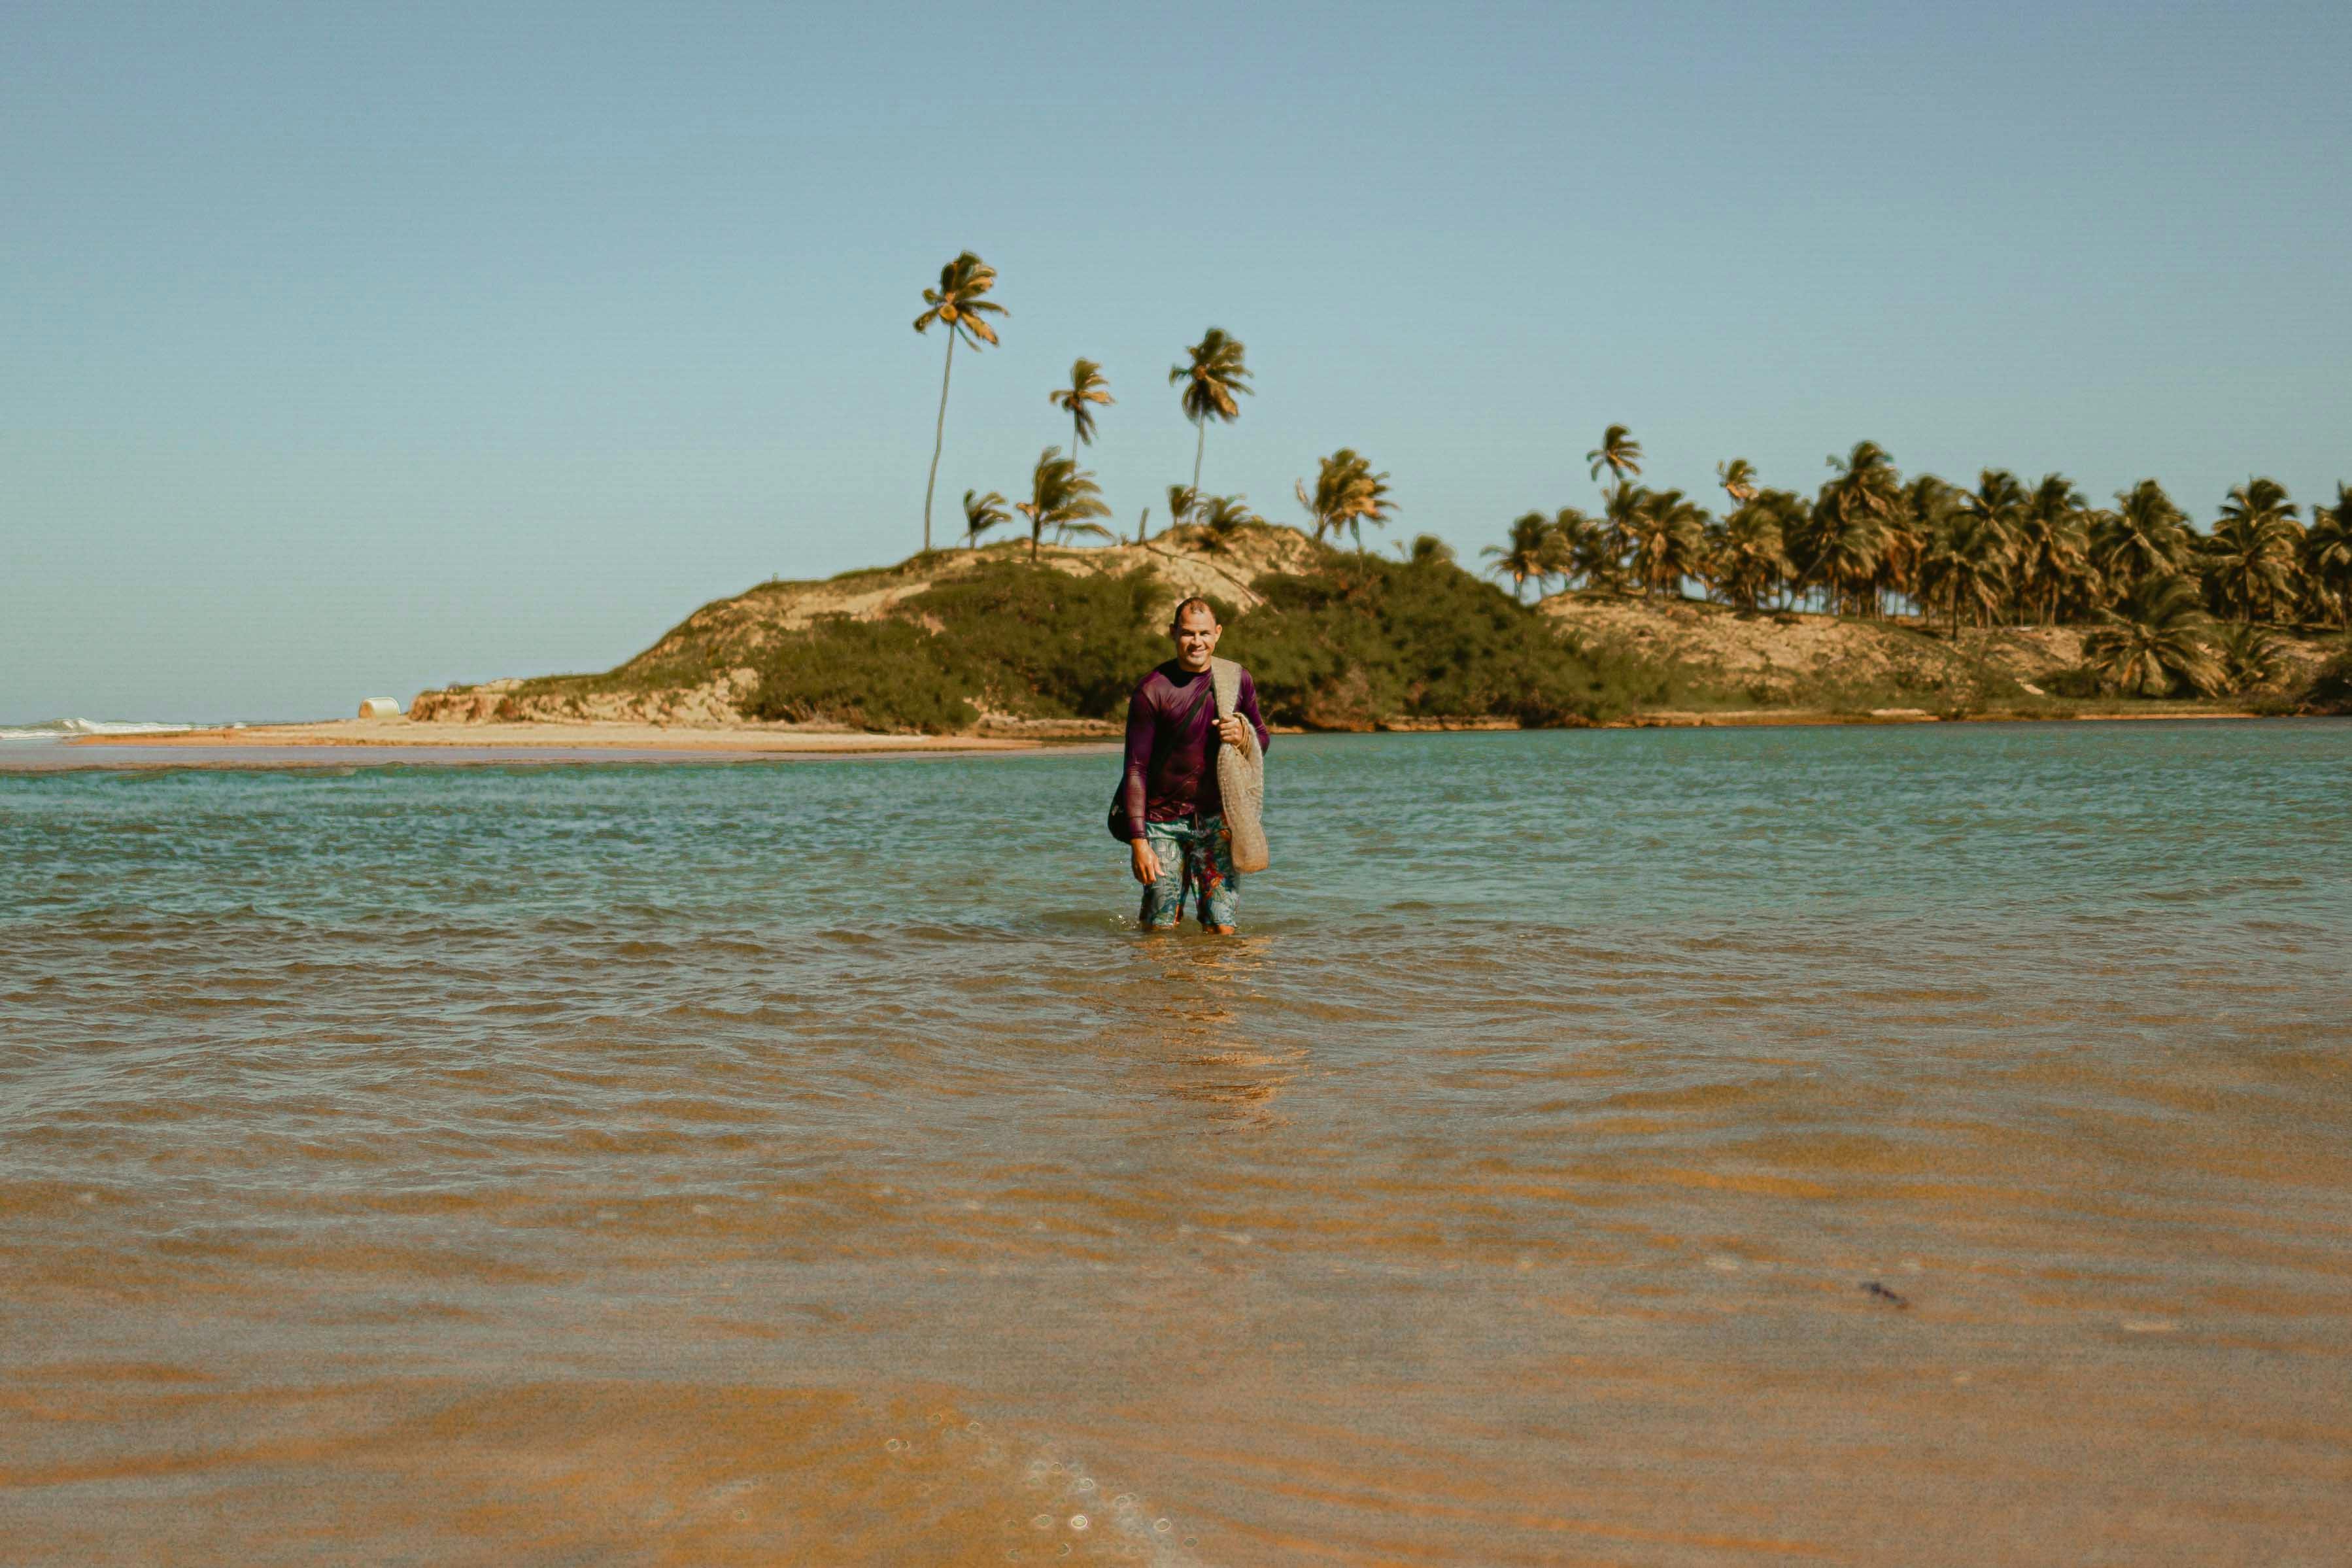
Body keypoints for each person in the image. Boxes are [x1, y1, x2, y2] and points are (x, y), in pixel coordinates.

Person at [1119, 597, 1271, 934]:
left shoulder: (1236, 679)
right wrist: (1139, 842)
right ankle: (1159, 987)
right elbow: (1135, 769)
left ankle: (1212, 988)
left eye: (1204, 633)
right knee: (1160, 926)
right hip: (1162, 823)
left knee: (1222, 927)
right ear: (1173, 633)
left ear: (1217, 634)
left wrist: (1244, 735)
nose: (1197, 642)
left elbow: (1262, 737)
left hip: (1218, 820)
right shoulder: (1152, 689)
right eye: (1188, 633)